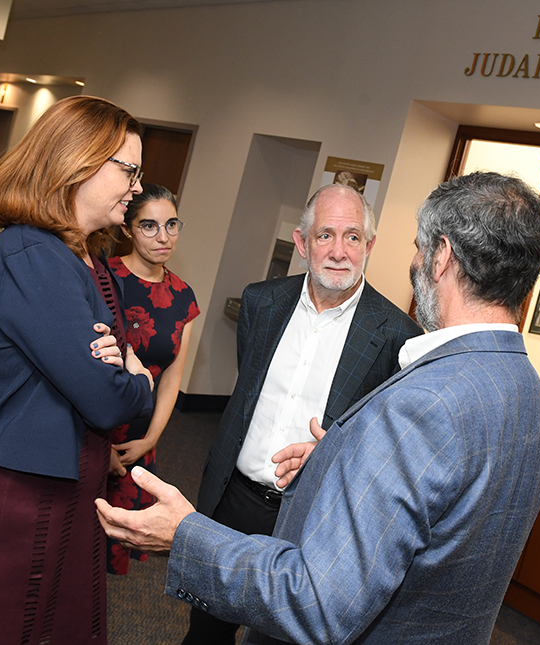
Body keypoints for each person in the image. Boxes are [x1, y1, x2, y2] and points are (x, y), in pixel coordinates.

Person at [96, 171, 540, 645]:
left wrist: (185, 536)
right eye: (326, 236)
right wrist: (342, 454)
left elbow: (319, 602)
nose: (414, 261)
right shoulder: (535, 401)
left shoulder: (419, 404)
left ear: (440, 256)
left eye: (420, 247)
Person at [0, 96, 156, 644]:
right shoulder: (32, 255)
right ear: (79, 160)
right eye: (129, 170)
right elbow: (107, 398)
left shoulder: (81, 259)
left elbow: (107, 378)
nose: (137, 187)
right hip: (13, 502)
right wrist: (139, 381)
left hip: (63, 492)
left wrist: (123, 375)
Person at [180, 183, 422, 643]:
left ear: (369, 246)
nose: (338, 251)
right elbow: (247, 392)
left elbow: (385, 444)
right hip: (233, 501)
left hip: (314, 521)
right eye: (325, 235)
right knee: (204, 631)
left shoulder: (397, 336)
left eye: (353, 237)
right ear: (302, 242)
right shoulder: (260, 303)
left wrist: (336, 451)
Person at [105, 183, 200, 575]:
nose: (163, 237)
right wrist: (101, 445)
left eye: (171, 224)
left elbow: (173, 377)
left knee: (110, 545)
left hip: (140, 437)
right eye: (149, 226)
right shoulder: (102, 277)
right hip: (89, 428)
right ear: (127, 228)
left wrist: (150, 439)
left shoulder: (183, 297)